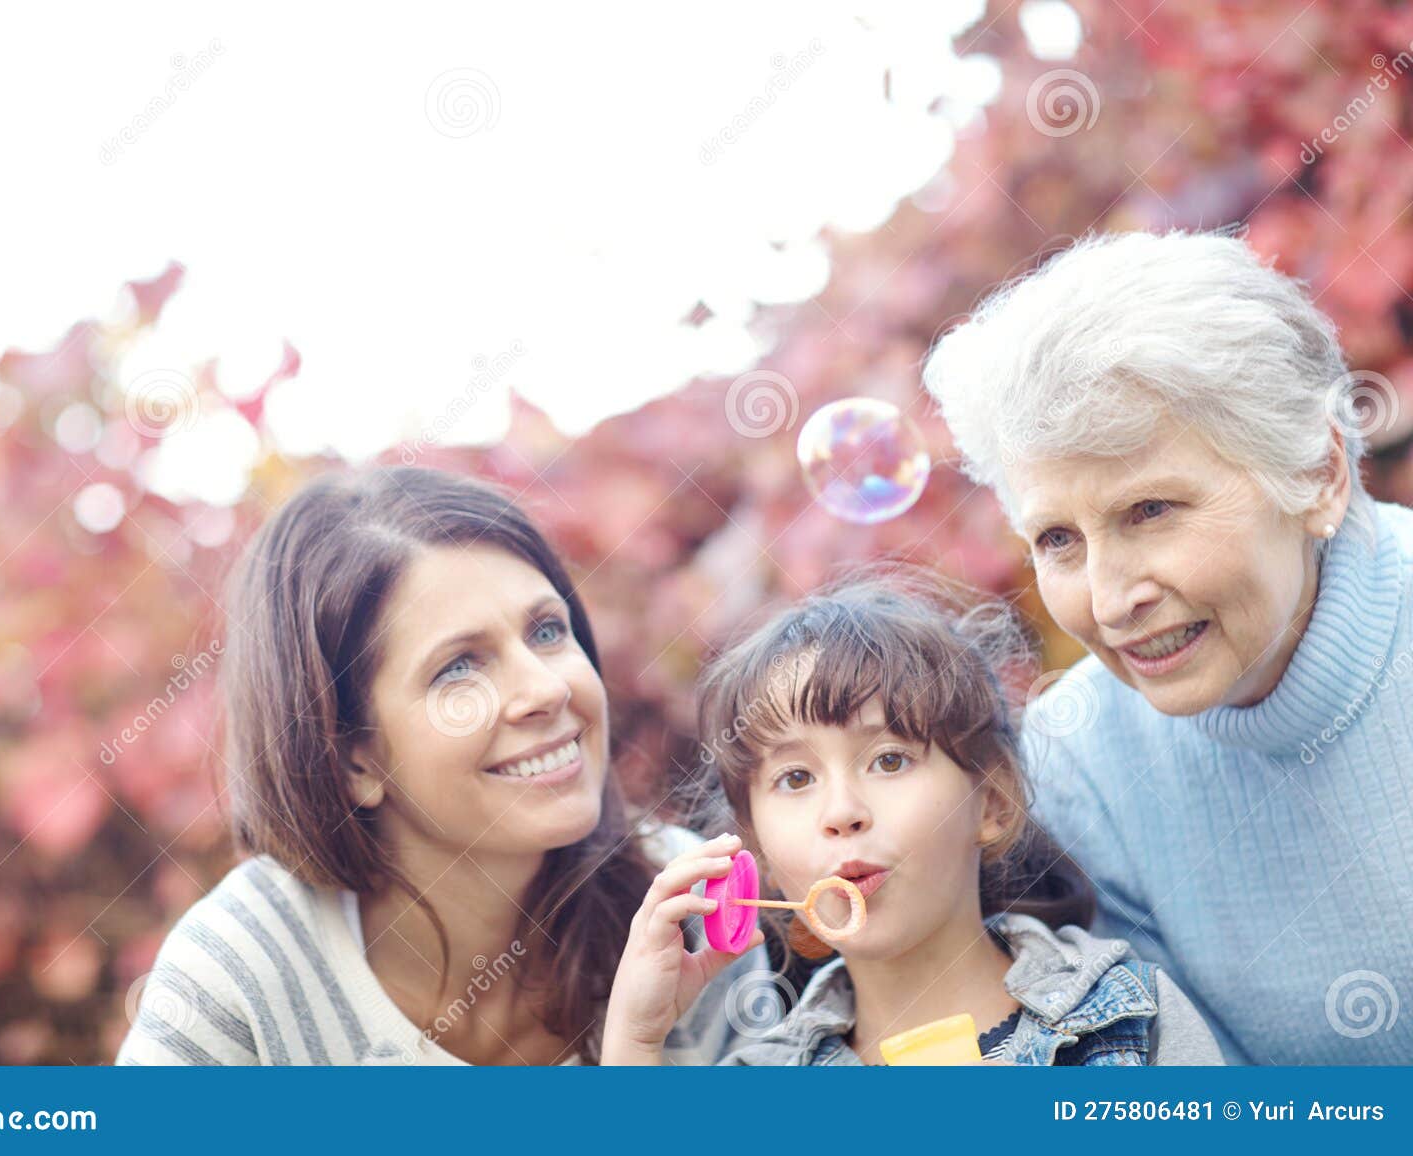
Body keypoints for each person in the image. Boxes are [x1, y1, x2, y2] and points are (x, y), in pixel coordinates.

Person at [920, 229, 1413, 1063]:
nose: (1112, 601)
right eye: (1058, 540)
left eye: (1150, 511)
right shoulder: (1078, 762)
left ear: (1319, 474)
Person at [117, 467, 773, 1065]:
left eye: (547, 630)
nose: (547, 689)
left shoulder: (691, 913)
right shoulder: (239, 975)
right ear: (351, 759)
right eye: (459, 667)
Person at [601, 573, 1223, 1065]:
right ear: (758, 853)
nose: (842, 813)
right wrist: (635, 1040)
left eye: (889, 760)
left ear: (993, 801)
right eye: (796, 778)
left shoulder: (1128, 1020)